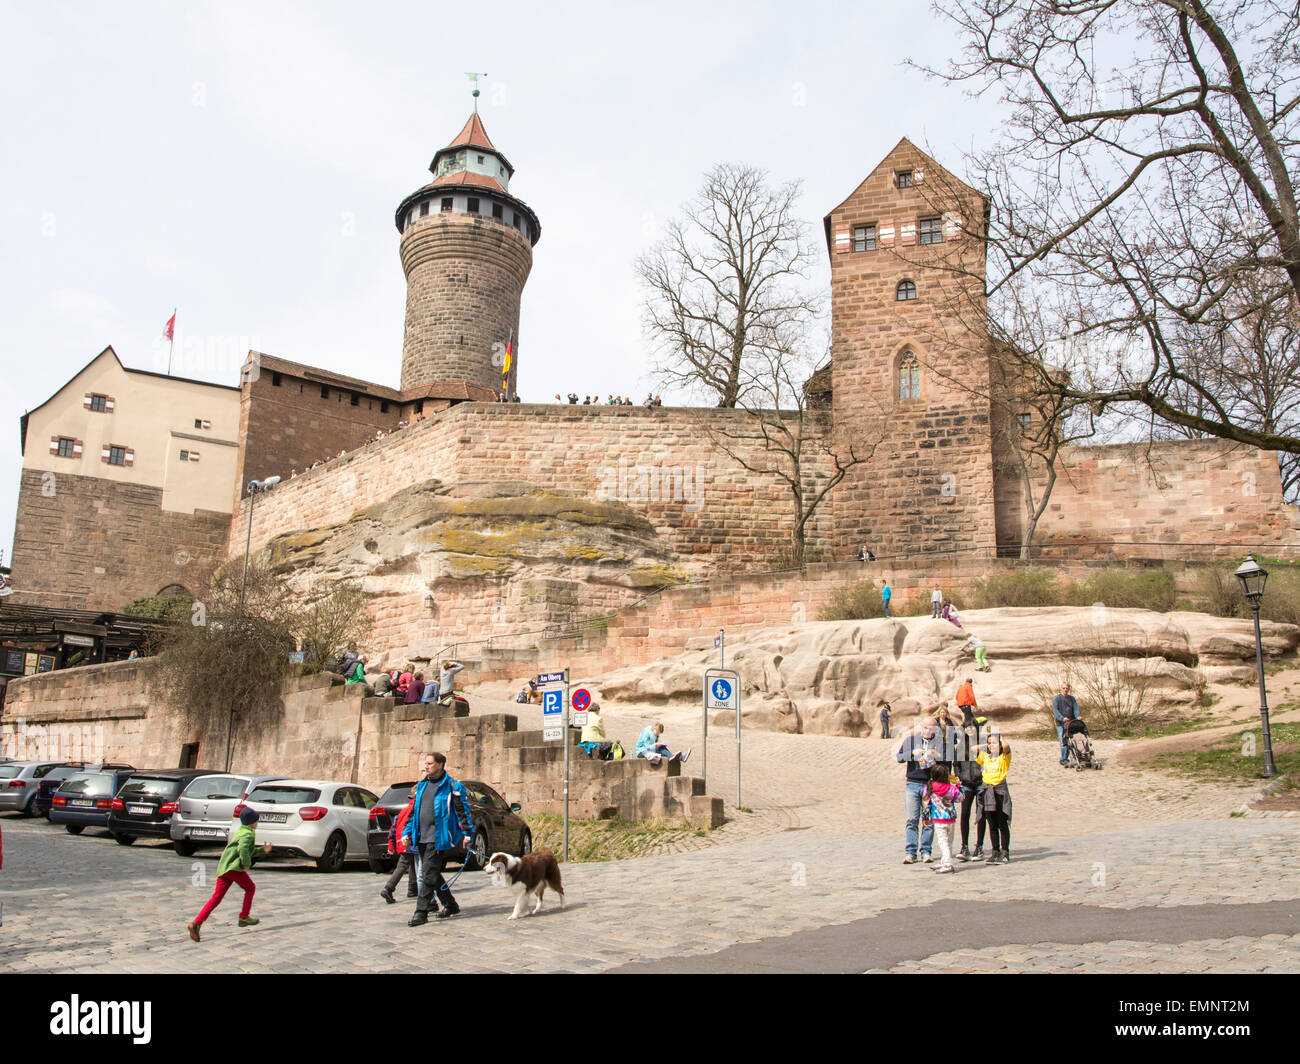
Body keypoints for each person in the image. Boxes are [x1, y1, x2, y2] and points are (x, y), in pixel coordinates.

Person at [404, 753, 475, 924]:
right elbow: (414, 813)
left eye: (430, 763)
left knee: (428, 873)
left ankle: (421, 911)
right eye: (425, 763)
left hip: (438, 837)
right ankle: (451, 905)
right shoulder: (422, 786)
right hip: (421, 835)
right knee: (432, 872)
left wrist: (467, 833)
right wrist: (407, 832)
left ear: (440, 764)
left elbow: (462, 811)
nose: (426, 766)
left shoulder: (452, 786)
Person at [188, 807, 271, 941]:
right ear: (252, 822)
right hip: (233, 868)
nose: (258, 822)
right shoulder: (248, 834)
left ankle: (196, 923)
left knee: (216, 897)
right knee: (250, 888)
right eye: (257, 820)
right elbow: (243, 849)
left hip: (224, 867)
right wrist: (246, 865)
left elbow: (245, 850)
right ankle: (244, 917)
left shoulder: (241, 831)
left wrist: (262, 850)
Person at [896, 717, 953, 864]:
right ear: (921, 727)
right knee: (912, 819)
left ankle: (926, 851)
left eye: (932, 728)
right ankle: (910, 852)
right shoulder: (911, 740)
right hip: (913, 783)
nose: (928, 731)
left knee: (928, 820)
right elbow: (899, 757)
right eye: (926, 727)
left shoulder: (940, 744)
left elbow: (947, 764)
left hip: (930, 786)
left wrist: (937, 757)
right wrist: (912, 754)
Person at [975, 733, 1013, 863]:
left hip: (999, 790)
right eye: (990, 743)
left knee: (1002, 823)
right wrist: (987, 744)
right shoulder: (985, 756)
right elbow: (974, 749)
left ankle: (1005, 851)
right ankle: (995, 850)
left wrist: (1000, 739)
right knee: (991, 823)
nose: (992, 746)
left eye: (994, 743)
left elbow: (1007, 746)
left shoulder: (1003, 756)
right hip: (987, 790)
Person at [955, 714, 988, 861]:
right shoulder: (961, 745)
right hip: (966, 783)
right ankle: (964, 846)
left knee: (981, 815)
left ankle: (979, 846)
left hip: (980, 782)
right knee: (965, 814)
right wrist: (958, 776)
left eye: (972, 727)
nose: (970, 730)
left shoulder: (983, 743)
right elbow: (956, 764)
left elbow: (990, 760)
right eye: (967, 727)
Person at [380, 787, 420, 903]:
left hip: (401, 842)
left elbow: (393, 828)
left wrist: (391, 845)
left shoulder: (403, 811)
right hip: (409, 841)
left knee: (411, 864)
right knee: (403, 866)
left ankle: (412, 888)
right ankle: (388, 888)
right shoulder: (416, 810)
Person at [923, 764, 963, 873]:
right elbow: (960, 798)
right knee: (948, 842)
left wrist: (925, 818)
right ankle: (944, 861)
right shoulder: (951, 788)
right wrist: (959, 786)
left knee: (943, 842)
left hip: (938, 819)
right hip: (951, 818)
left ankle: (947, 864)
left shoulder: (929, 787)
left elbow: (926, 804)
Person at [1052, 683, 1080, 767]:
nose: (1065, 690)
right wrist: (1061, 718)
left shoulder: (1072, 698)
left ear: (1069, 689)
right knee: (1063, 741)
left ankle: (1071, 757)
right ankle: (1063, 759)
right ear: (1061, 689)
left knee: (1070, 740)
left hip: (1070, 722)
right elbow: (1055, 710)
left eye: (1067, 688)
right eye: (1064, 688)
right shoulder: (1057, 698)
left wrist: (1078, 715)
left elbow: (1075, 708)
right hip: (1060, 723)